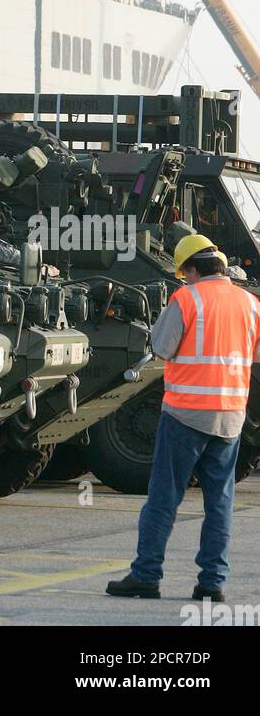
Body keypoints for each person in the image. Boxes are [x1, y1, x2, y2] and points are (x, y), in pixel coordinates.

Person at [107, 233, 260, 601]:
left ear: (193, 269)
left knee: (164, 498)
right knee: (219, 502)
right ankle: (212, 584)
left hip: (185, 415)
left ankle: (146, 575)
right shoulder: (251, 303)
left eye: (184, 273)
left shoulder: (186, 298)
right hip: (230, 419)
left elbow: (161, 347)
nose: (183, 279)